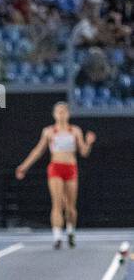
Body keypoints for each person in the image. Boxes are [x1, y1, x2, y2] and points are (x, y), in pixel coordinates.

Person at [15, 102, 95, 249]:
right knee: (57, 203)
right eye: (58, 111)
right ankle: (57, 236)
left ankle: (70, 231)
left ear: (68, 114)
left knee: (70, 207)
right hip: (55, 168)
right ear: (54, 114)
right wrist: (24, 166)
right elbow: (38, 151)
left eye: (64, 111)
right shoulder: (49, 131)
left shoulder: (75, 131)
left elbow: (83, 152)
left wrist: (89, 143)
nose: (61, 114)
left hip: (71, 168)